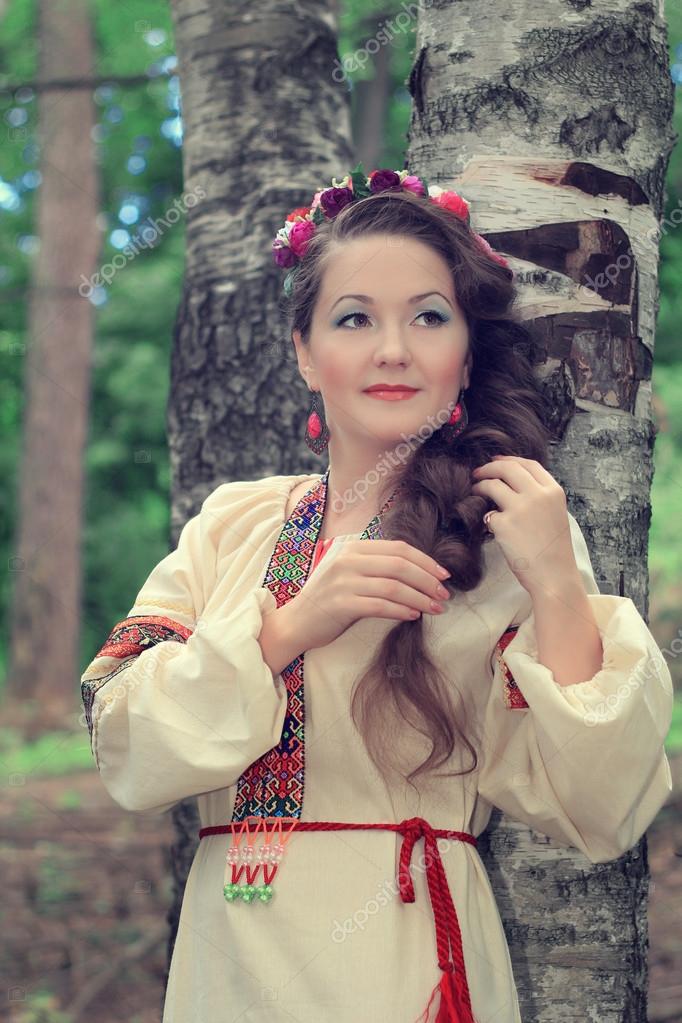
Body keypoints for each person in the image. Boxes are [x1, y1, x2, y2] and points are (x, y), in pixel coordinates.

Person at [80, 164, 674, 1023]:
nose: (392, 349)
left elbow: (603, 808)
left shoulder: (510, 532)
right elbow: (125, 744)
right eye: (354, 318)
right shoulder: (232, 525)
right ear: (304, 352)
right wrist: (289, 629)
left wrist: (554, 581)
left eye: (428, 317)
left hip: (409, 958)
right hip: (230, 968)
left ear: (465, 355)